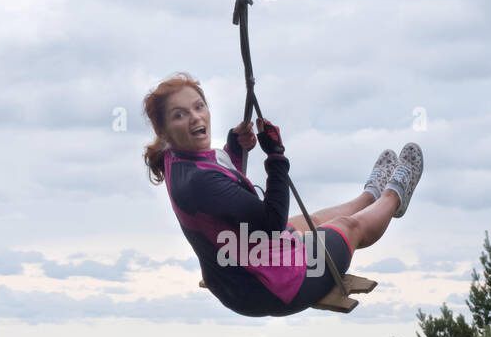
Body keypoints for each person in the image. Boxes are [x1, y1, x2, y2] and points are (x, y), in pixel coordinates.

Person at [142, 72, 423, 317]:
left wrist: (234, 148)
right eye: (180, 114)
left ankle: (369, 197)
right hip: (268, 287)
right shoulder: (198, 181)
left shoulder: (175, 158)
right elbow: (272, 222)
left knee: (307, 221)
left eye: (198, 106)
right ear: (163, 128)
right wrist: (276, 156)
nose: (195, 117)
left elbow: (219, 201)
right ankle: (394, 196)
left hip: (236, 269)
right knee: (347, 228)